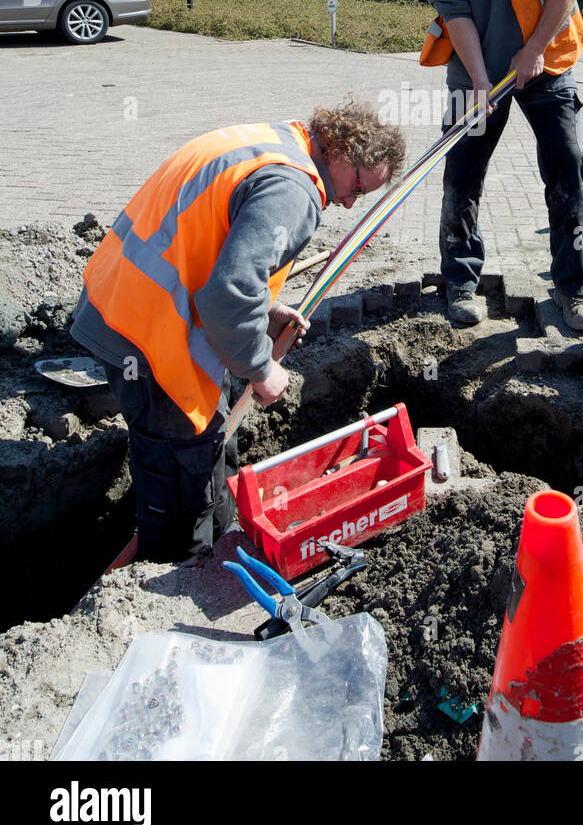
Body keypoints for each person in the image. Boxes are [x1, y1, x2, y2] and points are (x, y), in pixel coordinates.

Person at [70, 101, 405, 561]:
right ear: (342, 150)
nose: (349, 202)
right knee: (179, 481)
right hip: (151, 340)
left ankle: (216, 543)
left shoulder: (275, 142)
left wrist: (263, 309)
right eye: (359, 187)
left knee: (204, 455)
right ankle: (170, 583)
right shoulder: (294, 189)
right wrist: (260, 367)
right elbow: (228, 293)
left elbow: (215, 248)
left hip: (120, 302)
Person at [421, 0, 583, 333]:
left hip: (544, 62)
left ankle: (574, 289)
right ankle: (460, 282)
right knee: (462, 173)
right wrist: (479, 80)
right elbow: (454, 13)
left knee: (567, 172)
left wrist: (533, 50)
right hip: (477, 68)